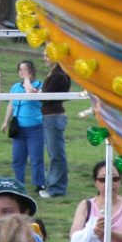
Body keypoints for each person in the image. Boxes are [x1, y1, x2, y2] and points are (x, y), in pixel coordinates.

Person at [2, 59, 46, 191]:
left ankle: (39, 183)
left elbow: (30, 94)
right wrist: (6, 121)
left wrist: (27, 79)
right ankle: (19, 183)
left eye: (25, 70)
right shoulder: (15, 87)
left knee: (36, 157)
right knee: (18, 157)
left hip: (35, 127)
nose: (22, 73)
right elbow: (11, 104)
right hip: (19, 127)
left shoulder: (39, 85)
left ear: (32, 71)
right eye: (20, 70)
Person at [40, 61, 72, 198]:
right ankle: (53, 185)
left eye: (47, 55)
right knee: (54, 153)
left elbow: (46, 97)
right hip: (50, 116)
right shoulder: (56, 74)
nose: (44, 58)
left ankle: (57, 188)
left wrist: (38, 92)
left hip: (54, 116)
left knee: (56, 154)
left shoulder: (59, 76)